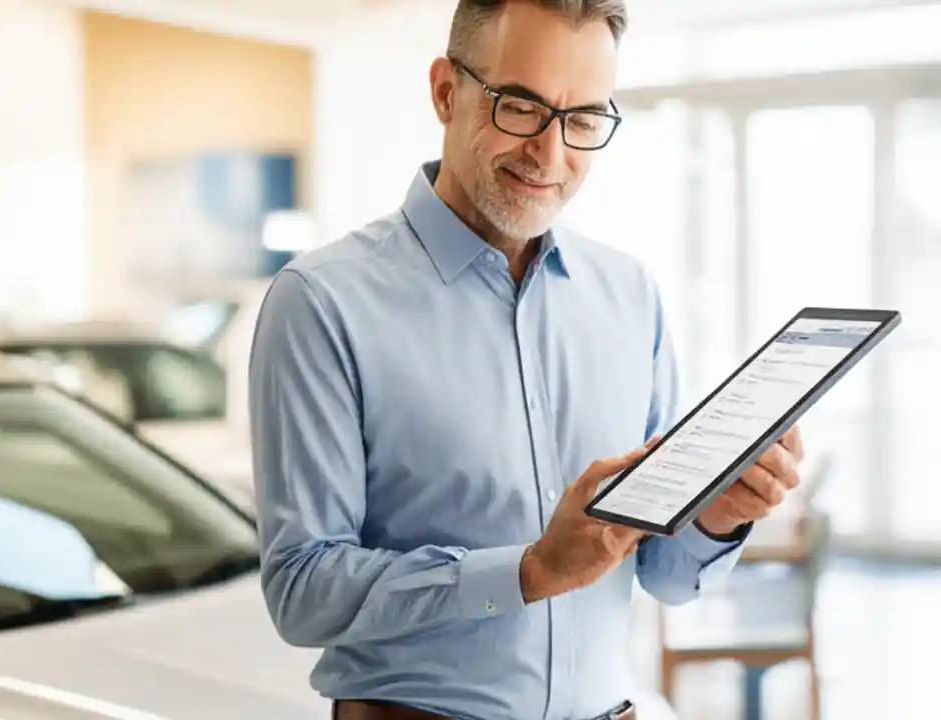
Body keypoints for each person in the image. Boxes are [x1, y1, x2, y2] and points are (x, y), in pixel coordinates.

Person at [248, 1, 804, 718]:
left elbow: (665, 575)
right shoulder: (321, 302)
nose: (550, 155)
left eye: (582, 121)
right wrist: (530, 570)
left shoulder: (630, 297)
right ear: (446, 92)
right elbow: (302, 592)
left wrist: (715, 517)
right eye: (520, 107)